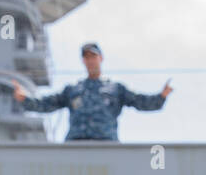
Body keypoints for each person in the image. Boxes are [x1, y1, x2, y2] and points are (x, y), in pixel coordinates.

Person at [13, 41, 171, 141]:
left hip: (106, 144)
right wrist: (25, 99)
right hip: (76, 144)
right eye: (87, 57)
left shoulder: (116, 89)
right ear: (83, 61)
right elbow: (47, 104)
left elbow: (140, 101)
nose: (90, 60)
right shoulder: (72, 90)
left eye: (93, 56)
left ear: (100, 58)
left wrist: (161, 96)